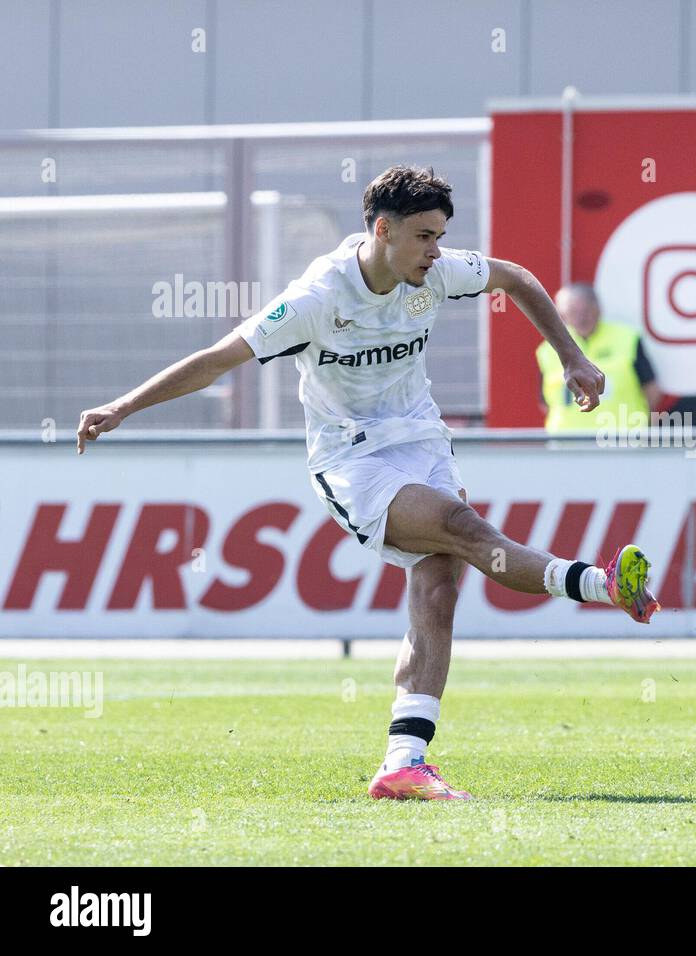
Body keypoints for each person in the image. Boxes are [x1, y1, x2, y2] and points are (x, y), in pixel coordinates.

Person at [75, 165, 660, 801]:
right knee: (463, 529)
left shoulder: (435, 274)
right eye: (424, 237)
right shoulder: (316, 300)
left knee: (438, 592)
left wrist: (573, 355)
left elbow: (515, 278)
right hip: (353, 461)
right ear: (382, 231)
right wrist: (123, 407)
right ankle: (599, 585)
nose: (437, 251)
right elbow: (218, 360)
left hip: (422, 440)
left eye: (441, 236)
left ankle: (403, 764)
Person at [537, 283, 662, 432]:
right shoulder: (549, 348)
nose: (581, 318)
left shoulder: (627, 339)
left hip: (621, 441)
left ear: (598, 309)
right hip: (567, 444)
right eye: (573, 312)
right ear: (562, 316)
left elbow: (651, 390)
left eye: (586, 311)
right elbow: (545, 402)